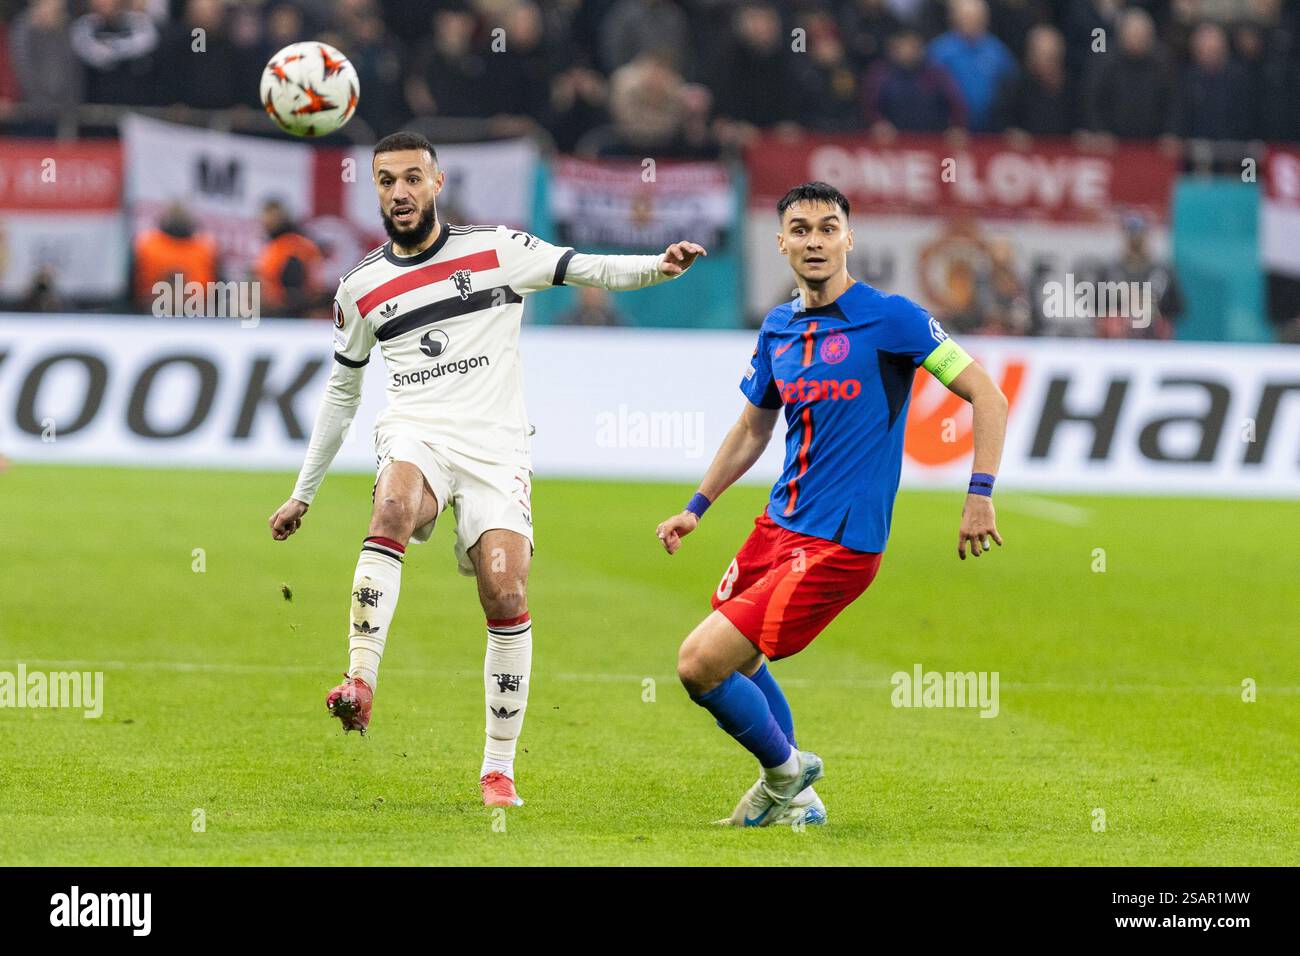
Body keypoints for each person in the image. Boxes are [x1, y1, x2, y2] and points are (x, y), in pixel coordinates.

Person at [267, 131, 706, 809]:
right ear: (376, 190)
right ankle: (359, 681)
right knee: (392, 504)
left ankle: (498, 769)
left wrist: (659, 266)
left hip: (497, 447)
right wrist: (304, 493)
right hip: (418, 432)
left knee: (503, 589)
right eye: (386, 181)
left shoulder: (497, 251)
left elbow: (585, 268)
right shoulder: (361, 288)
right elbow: (342, 392)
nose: (400, 192)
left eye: (413, 178)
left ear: (437, 183)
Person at [654, 181, 1008, 826]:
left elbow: (988, 395)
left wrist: (979, 494)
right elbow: (752, 429)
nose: (814, 240)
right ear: (781, 241)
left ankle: (787, 774)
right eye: (801, 228)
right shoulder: (778, 327)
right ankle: (801, 800)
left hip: (840, 543)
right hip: (777, 525)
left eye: (827, 228)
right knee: (742, 654)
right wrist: (697, 506)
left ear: (849, 238)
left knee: (698, 663)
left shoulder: (893, 318)